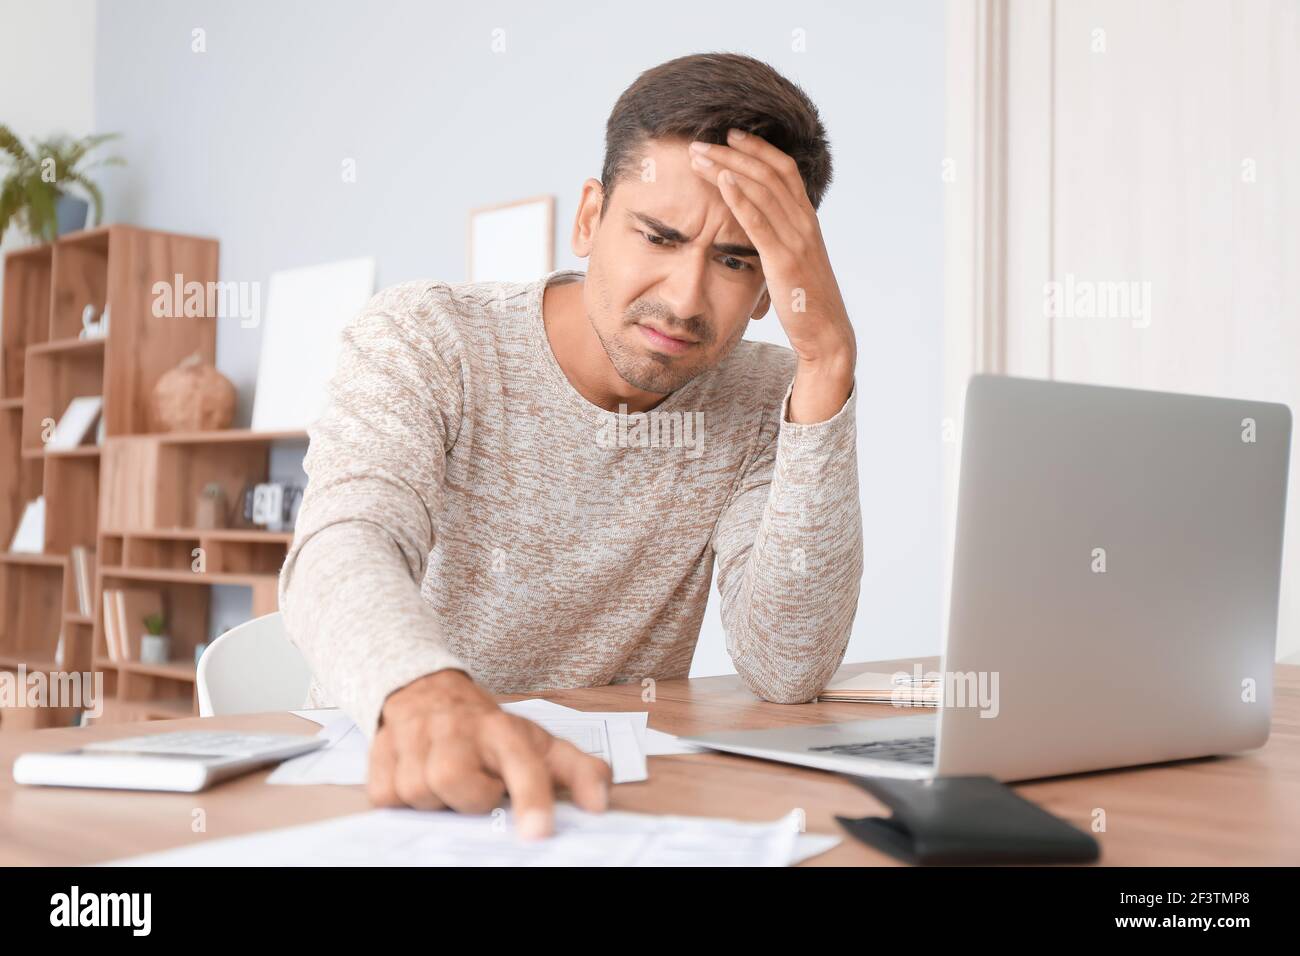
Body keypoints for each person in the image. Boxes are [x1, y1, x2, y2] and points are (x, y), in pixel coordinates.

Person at [278, 51, 864, 838]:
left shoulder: (768, 393)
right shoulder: (428, 337)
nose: (684, 299)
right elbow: (342, 545)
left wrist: (826, 359)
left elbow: (787, 667)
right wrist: (430, 694)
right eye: (658, 236)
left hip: (613, 805)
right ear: (590, 218)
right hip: (400, 781)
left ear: (769, 288)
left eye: (735, 261)